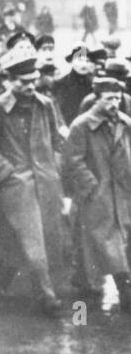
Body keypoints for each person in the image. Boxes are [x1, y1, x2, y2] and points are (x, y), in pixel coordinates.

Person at [0, 43, 67, 316]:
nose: (31, 85)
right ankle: (46, 297)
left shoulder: (46, 105)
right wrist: (7, 174)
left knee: (18, 237)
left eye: (33, 80)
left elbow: (57, 140)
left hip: (46, 183)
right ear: (10, 81)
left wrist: (55, 168)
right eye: (24, 82)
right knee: (33, 239)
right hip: (17, 186)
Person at [61, 77, 131, 311]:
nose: (114, 103)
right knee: (101, 245)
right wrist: (90, 186)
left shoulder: (124, 122)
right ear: (96, 99)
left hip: (121, 194)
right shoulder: (81, 125)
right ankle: (115, 293)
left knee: (117, 242)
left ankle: (96, 288)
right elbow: (73, 160)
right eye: (109, 98)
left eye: (118, 98)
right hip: (97, 196)